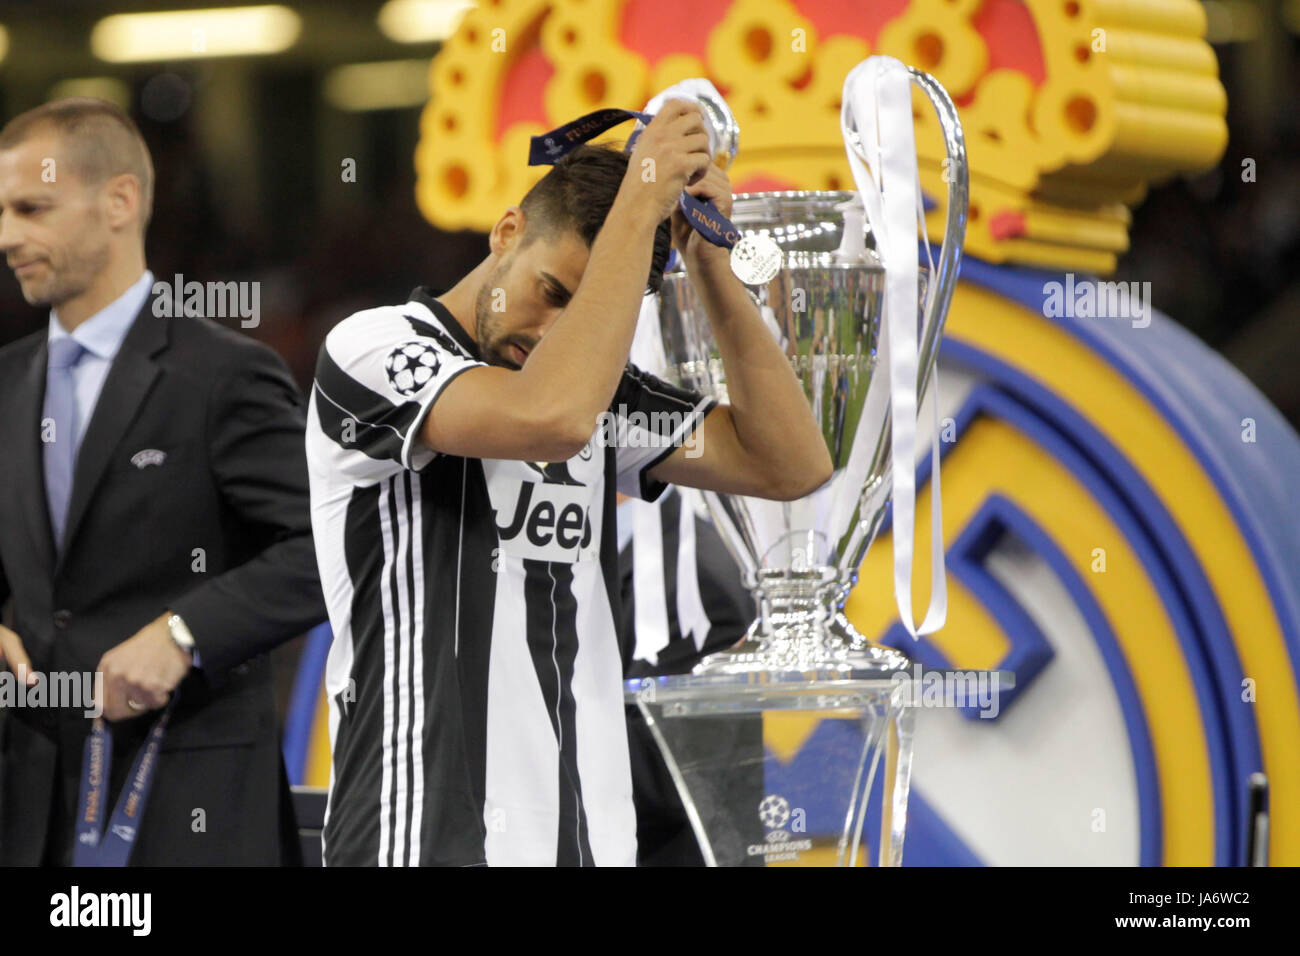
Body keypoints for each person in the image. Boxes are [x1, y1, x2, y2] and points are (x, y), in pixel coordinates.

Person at [306, 100, 832, 866]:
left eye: (591, 314)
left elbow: (790, 464)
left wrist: (714, 271)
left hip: (585, 833)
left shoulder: (589, 395)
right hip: (420, 831)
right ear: (507, 231)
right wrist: (642, 198)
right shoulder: (372, 349)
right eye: (553, 293)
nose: (555, 335)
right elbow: (545, 417)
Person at [0, 98, 325, 865]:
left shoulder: (224, 373)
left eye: (31, 208)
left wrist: (185, 634)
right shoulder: (3, 385)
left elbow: (329, 547)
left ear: (120, 200)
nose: (8, 236)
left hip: (187, 803)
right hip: (28, 809)